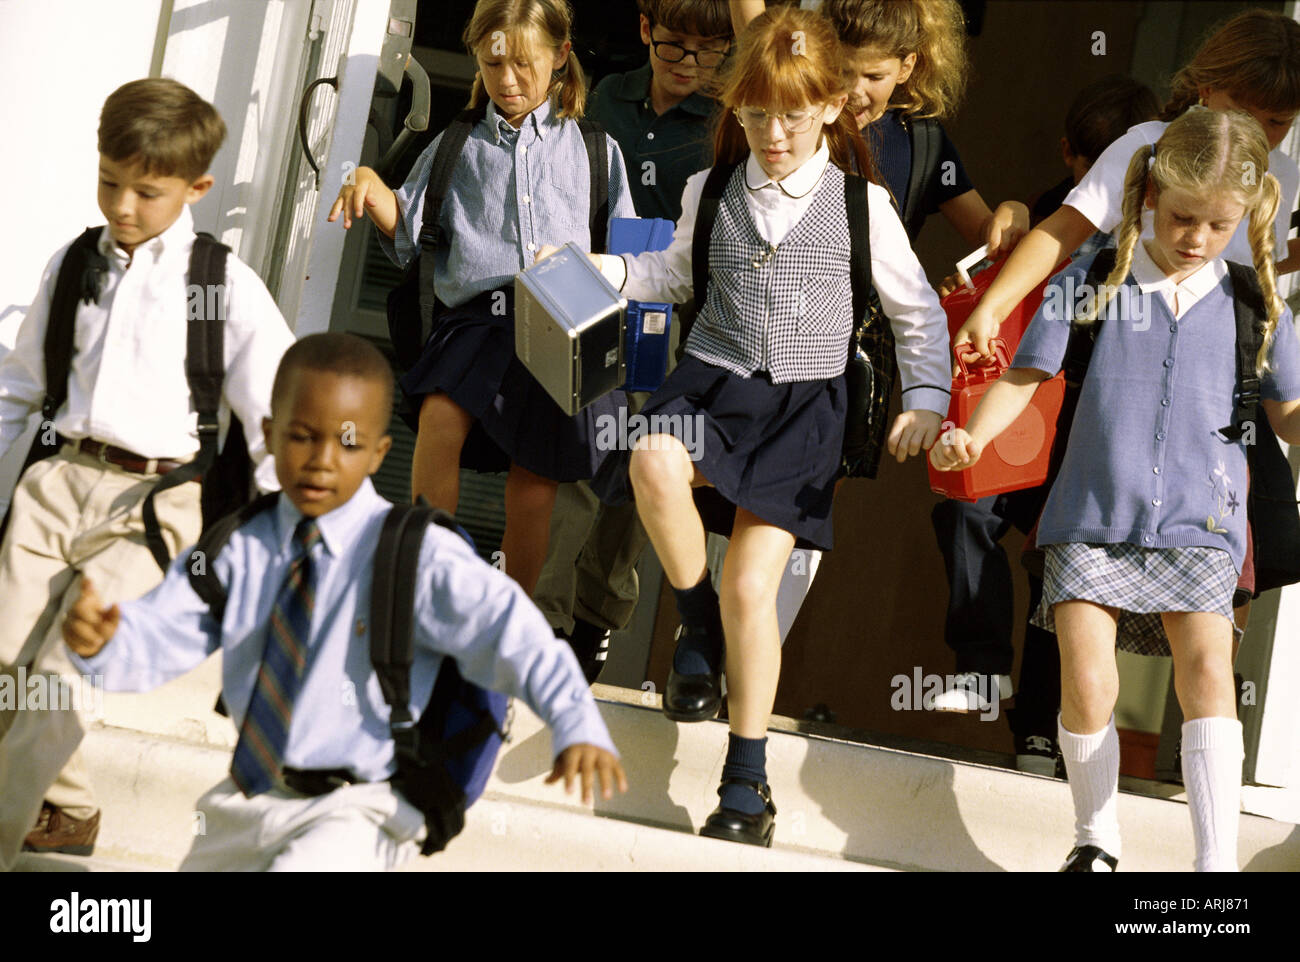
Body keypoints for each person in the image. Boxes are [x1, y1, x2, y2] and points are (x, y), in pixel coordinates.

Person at [564, 5, 950, 846]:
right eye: (757, 113)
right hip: (715, 382)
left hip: (803, 407)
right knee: (653, 462)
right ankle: (694, 628)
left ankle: (748, 782)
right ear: (735, 109)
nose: (775, 132)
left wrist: (928, 400)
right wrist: (610, 270)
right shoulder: (714, 189)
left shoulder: (861, 206)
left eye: (793, 113)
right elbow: (670, 271)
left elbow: (918, 312)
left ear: (830, 107)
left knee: (753, 587)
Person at [61, 333, 627, 871]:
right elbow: (162, 632)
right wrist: (107, 641)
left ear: (380, 453)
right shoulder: (240, 544)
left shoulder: (416, 554)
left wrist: (575, 721)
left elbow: (514, 634)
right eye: (303, 435)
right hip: (248, 794)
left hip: (360, 809)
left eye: (348, 441)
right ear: (269, 431)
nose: (322, 459)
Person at [932, 108, 1300, 871]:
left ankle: (1213, 861)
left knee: (1206, 675)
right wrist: (977, 433)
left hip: (1205, 523)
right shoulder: (1094, 277)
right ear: (1147, 196)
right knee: (1088, 680)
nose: (1196, 237)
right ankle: (1095, 838)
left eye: (1218, 224)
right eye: (1182, 217)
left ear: (1249, 213)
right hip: (1091, 512)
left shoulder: (1255, 302)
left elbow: (1289, 416)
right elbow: (1029, 374)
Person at [0, 78, 293, 868]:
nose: (122, 205)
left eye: (146, 191)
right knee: (2, 666)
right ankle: (66, 809)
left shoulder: (219, 285)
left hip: (157, 503)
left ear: (196, 188)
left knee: (61, 678)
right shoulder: (71, 266)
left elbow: (274, 418)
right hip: (55, 483)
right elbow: (18, 388)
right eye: (108, 182)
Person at [328, 0, 636, 597]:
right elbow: (412, 224)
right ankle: (428, 577)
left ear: (560, 58)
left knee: (535, 476)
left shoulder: (596, 150)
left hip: (559, 322)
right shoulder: (458, 143)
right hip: (477, 320)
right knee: (441, 421)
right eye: (494, 66)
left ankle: (507, 609)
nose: (509, 80)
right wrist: (370, 183)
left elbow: (625, 259)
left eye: (525, 64)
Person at [928, 76, 1159, 779]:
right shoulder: (1062, 215)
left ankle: (1040, 733)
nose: (1116, 188)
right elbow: (1007, 252)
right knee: (966, 508)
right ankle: (979, 664)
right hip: (1030, 406)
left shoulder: (1168, 229)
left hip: (1102, 424)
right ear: (1071, 157)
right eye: (1099, 166)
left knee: (1065, 574)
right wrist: (987, 271)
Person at [532, 0, 732, 681]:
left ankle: (596, 618)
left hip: (670, 314)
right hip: (589, 295)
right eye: (674, 46)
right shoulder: (603, 98)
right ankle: (547, 619)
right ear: (644, 28)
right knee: (575, 458)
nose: (688, 66)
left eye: (709, 53)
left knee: (634, 469)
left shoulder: (723, 124)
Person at [955, 7, 1300, 364]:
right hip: (1129, 352)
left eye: (1277, 121)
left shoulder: (1282, 173)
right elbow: (1062, 231)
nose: (1256, 131)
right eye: (1241, 112)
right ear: (1207, 87)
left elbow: (1257, 270)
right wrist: (992, 308)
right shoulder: (1147, 147)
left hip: (1220, 366)